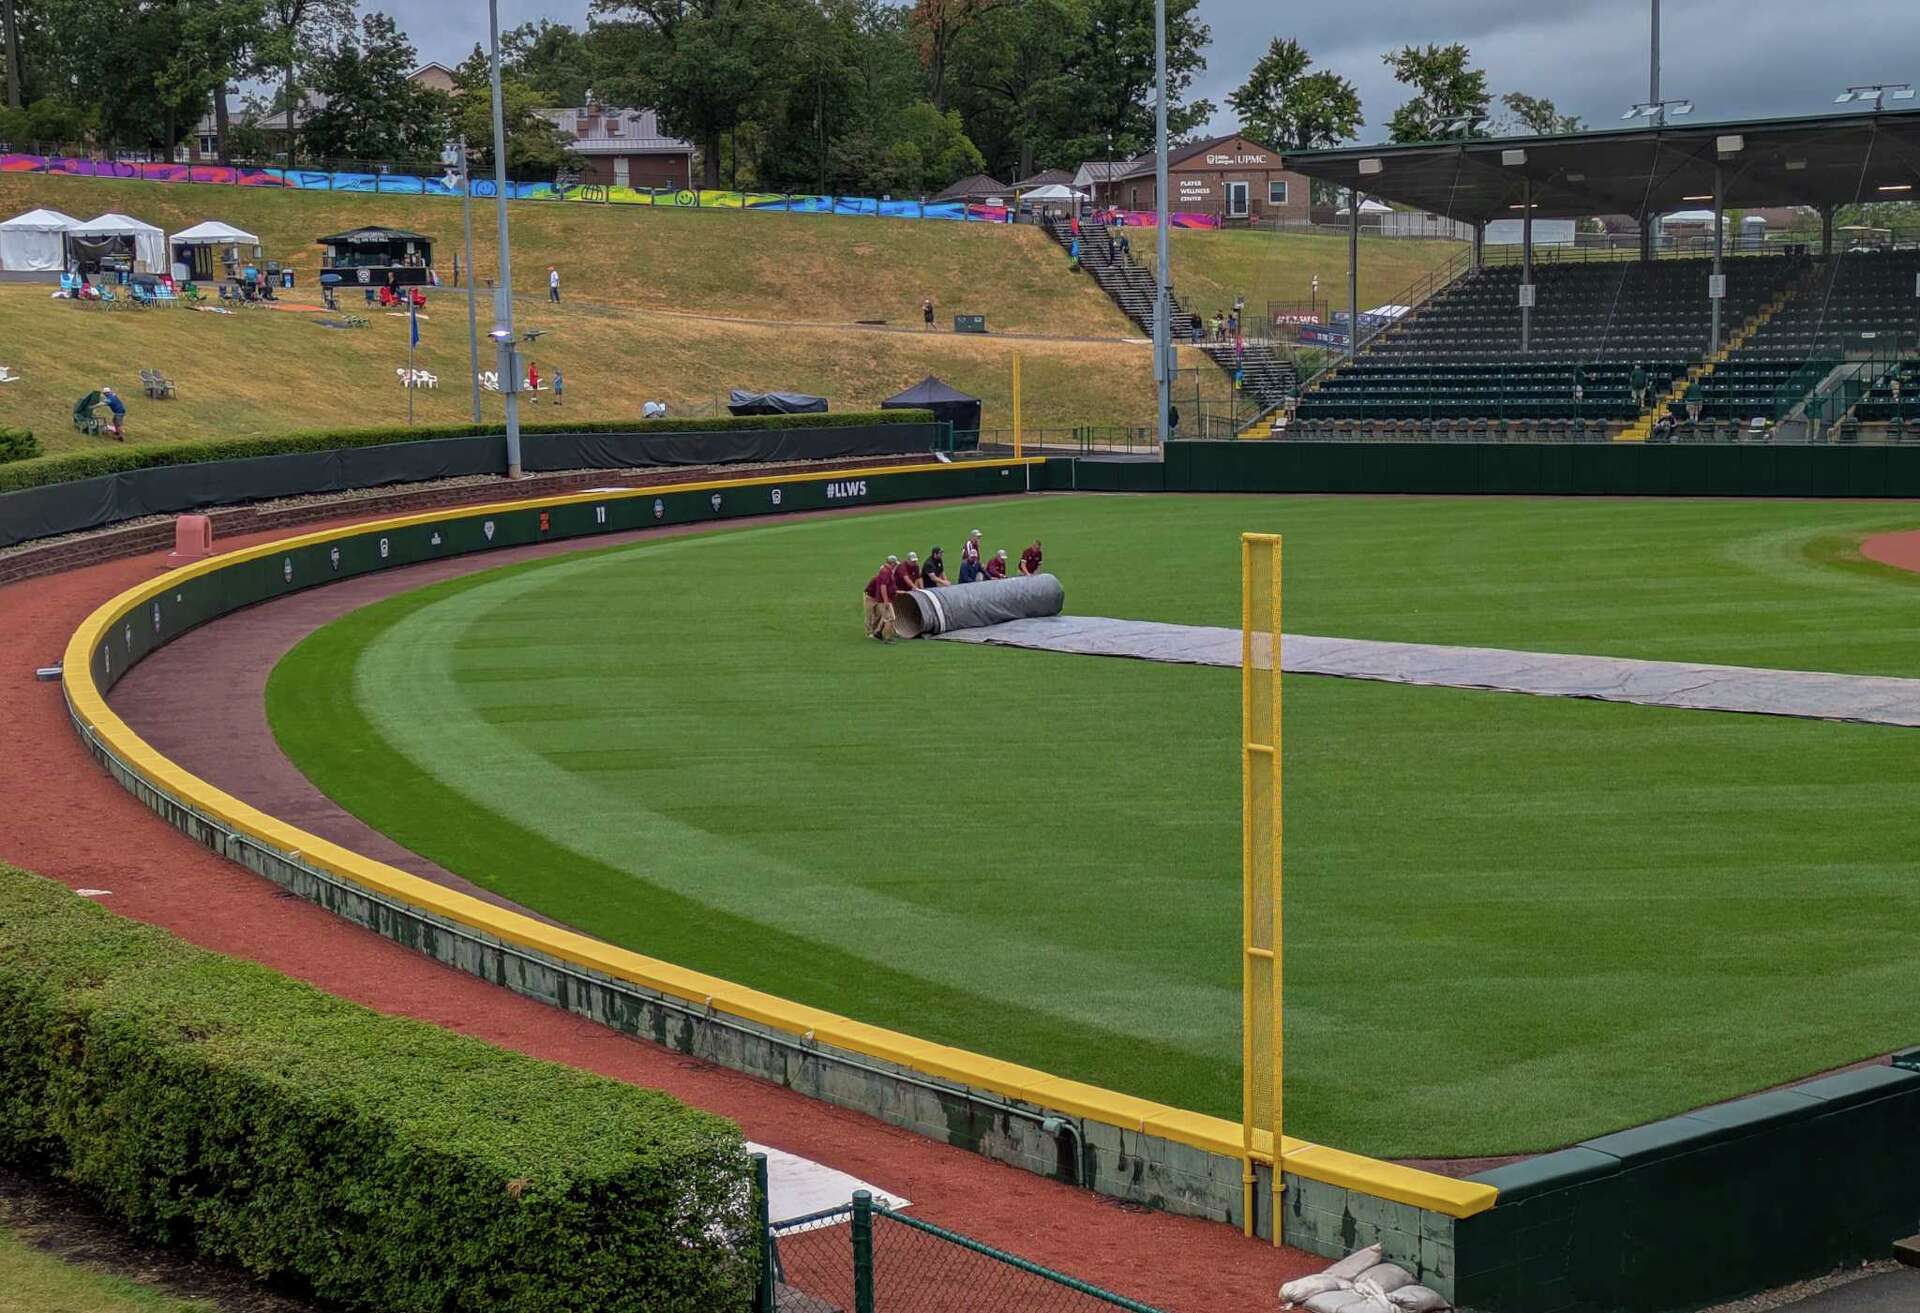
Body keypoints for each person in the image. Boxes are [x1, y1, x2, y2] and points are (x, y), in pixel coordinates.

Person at [864, 556, 898, 641]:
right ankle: (874, 634)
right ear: (892, 563)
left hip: (882, 599)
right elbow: (881, 588)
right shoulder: (883, 574)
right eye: (895, 564)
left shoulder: (888, 573)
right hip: (872, 598)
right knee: (872, 616)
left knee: (882, 616)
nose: (895, 566)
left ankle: (878, 632)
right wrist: (885, 600)